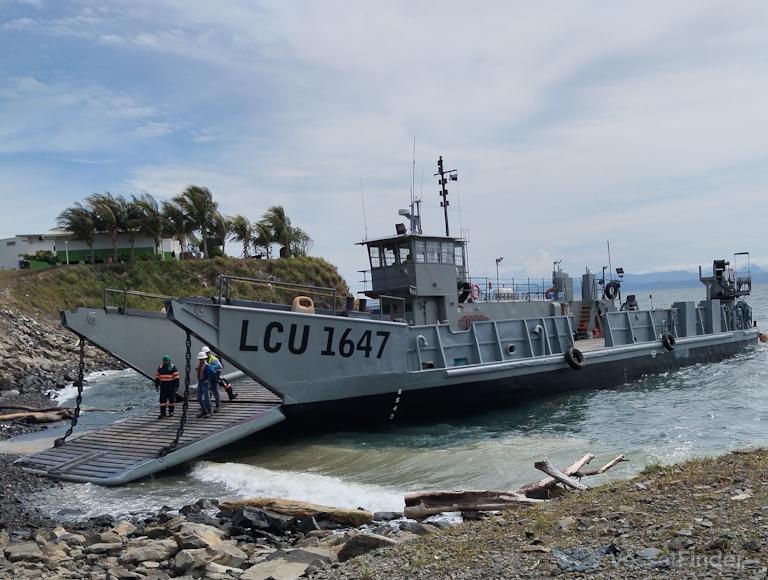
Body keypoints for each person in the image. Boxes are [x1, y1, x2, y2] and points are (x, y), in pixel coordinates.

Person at [154, 355, 179, 419]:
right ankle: (163, 413)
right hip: (163, 386)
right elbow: (157, 377)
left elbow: (176, 378)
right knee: (162, 401)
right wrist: (157, 385)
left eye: (166, 360)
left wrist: (176, 386)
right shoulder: (160, 368)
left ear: (169, 361)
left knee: (171, 399)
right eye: (164, 360)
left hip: (171, 386)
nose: (165, 362)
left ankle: (171, 412)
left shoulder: (173, 368)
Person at [196, 351, 215, 418]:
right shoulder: (200, 365)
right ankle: (204, 410)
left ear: (204, 359)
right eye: (200, 359)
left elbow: (213, 373)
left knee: (207, 398)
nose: (200, 360)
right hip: (200, 383)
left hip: (205, 384)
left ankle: (210, 411)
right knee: (198, 397)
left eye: (202, 359)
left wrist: (207, 380)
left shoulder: (207, 366)